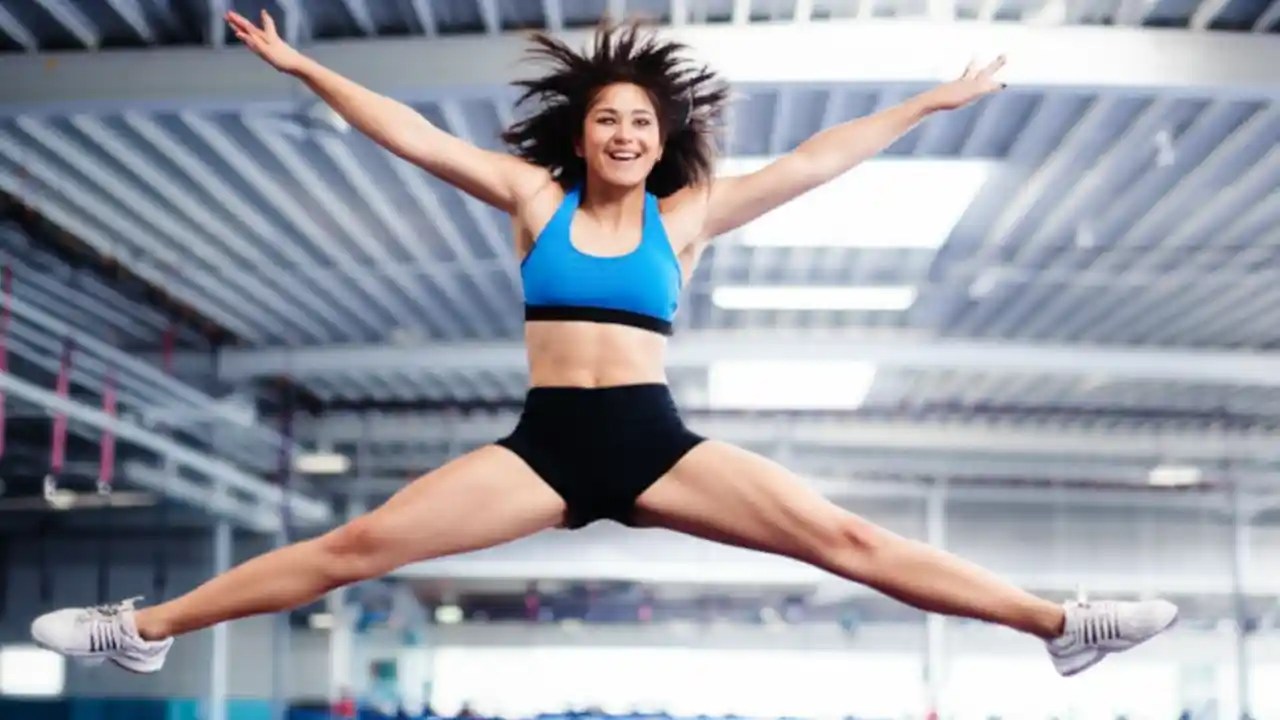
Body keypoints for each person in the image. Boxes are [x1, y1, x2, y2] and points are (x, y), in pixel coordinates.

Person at [31, 10, 1176, 679]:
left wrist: (925, 105)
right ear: (581, 137)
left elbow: (816, 158)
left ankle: (1056, 626)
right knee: (360, 544)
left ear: (660, 137)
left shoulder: (688, 217)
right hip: (544, 447)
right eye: (606, 119)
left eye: (641, 120)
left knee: (840, 536)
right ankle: (144, 631)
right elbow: (414, 136)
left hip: (653, 440)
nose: (624, 132)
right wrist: (306, 67)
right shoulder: (535, 201)